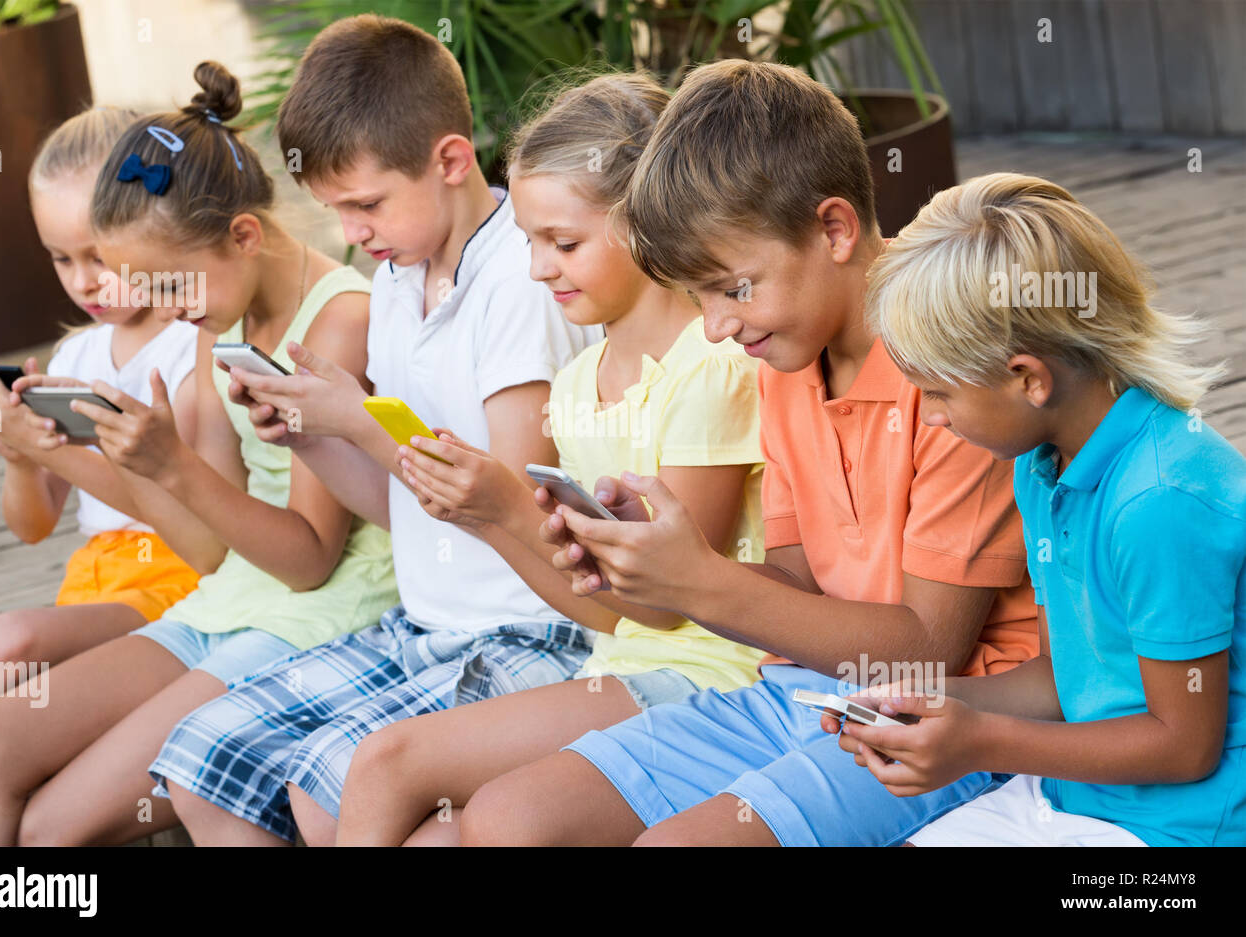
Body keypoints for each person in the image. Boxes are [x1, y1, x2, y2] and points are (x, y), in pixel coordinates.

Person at [459, 60, 1039, 847]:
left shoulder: (949, 371)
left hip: (940, 714)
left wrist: (701, 581)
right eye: (698, 295)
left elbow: (929, 648)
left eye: (730, 288)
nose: (716, 327)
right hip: (802, 693)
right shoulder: (786, 356)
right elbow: (797, 583)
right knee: (505, 819)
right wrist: (659, 560)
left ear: (833, 230)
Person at [149, 15, 600, 846]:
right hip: (425, 626)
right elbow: (401, 506)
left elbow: (513, 500)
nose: (352, 232)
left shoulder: (521, 281)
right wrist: (313, 435)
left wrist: (358, 419)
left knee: (327, 797)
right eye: (336, 210)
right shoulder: (393, 276)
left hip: (530, 628)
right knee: (199, 762)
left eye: (365, 205)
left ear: (452, 161)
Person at [0, 62, 397, 846]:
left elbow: (307, 560)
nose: (164, 306)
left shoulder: (336, 323)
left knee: (52, 828)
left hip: (312, 620)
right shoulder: (213, 322)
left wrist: (171, 465)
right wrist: (145, 463)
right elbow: (213, 553)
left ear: (244, 236)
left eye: (166, 282)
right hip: (223, 604)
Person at [333, 71, 768, 846]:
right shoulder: (575, 381)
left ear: (648, 221)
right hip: (617, 657)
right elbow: (602, 608)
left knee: (386, 761)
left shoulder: (713, 366)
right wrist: (495, 517)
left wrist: (502, 507)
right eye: (529, 242)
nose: (538, 269)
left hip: (710, 676)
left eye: (562, 243)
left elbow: (677, 606)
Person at [827, 172, 1244, 847]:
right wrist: (921, 703)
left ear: (1029, 379)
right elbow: (1061, 678)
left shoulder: (1161, 501)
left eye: (937, 393)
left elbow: (1184, 746)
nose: (929, 418)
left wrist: (981, 741)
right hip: (1071, 798)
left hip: (1182, 831)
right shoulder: (1042, 463)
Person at [0, 106, 199, 716]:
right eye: (61, 259)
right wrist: (20, 460)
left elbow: (177, 504)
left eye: (99, 256)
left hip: (179, 578)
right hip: (91, 582)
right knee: (6, 688)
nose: (84, 282)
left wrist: (49, 447)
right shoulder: (77, 353)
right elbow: (33, 527)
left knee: (9, 643)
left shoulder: (193, 343)